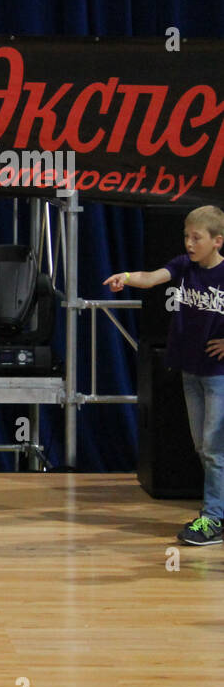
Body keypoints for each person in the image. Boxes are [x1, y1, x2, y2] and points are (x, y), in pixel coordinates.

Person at [105, 205, 224, 546]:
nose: (189, 243)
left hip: (218, 375)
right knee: (203, 447)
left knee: (215, 448)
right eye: (186, 236)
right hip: (191, 370)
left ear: (217, 241)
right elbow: (153, 277)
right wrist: (126, 277)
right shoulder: (184, 266)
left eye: (196, 238)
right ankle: (216, 511)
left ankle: (212, 517)